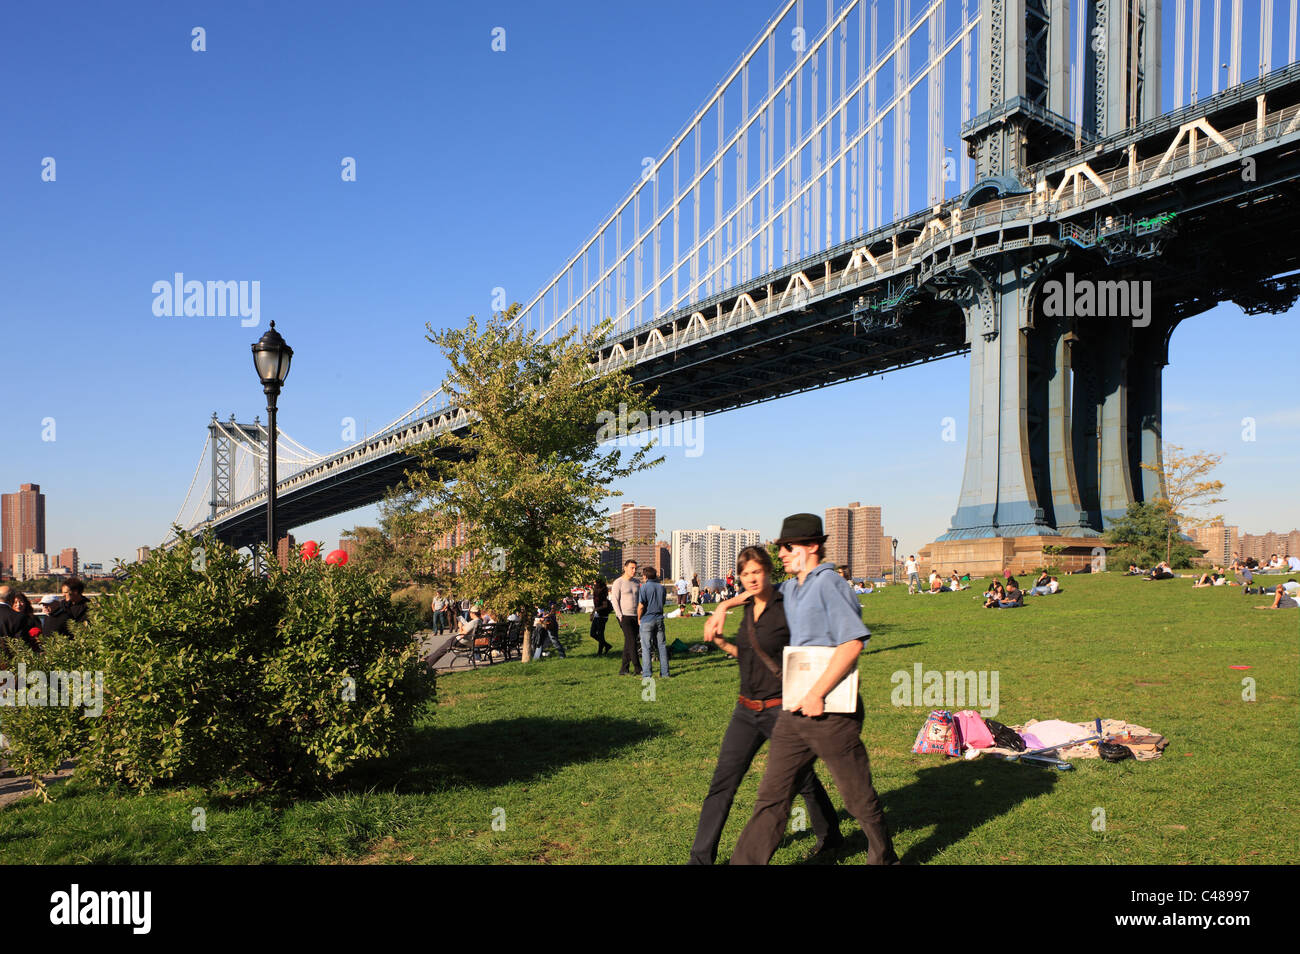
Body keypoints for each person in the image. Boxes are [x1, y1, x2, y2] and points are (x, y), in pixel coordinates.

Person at [707, 513, 899, 866]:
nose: (780, 553)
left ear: (811, 547)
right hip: (794, 711)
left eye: (787, 547)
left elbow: (853, 643)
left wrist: (818, 693)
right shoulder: (795, 586)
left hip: (832, 712)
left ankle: (884, 858)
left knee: (856, 796)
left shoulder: (829, 584)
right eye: (780, 547)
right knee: (771, 796)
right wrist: (722, 606)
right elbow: (759, 590)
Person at [690, 545, 841, 864]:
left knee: (802, 779)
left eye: (757, 572)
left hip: (780, 709)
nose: (752, 579)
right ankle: (700, 859)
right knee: (723, 783)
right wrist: (720, 639)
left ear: (768, 571)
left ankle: (830, 835)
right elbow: (746, 654)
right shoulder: (747, 609)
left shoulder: (788, 604)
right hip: (745, 711)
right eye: (745, 574)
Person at [637, 566, 669, 679]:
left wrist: (639, 618)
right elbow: (663, 602)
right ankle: (665, 673)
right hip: (659, 618)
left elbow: (641, 605)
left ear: (645, 576)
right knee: (662, 646)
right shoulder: (661, 588)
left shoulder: (644, 588)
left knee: (646, 647)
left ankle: (647, 674)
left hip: (647, 619)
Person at [611, 559, 642, 675]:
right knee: (632, 642)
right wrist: (619, 615)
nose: (634, 570)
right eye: (632, 568)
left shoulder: (636, 582)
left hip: (636, 616)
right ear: (625, 568)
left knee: (629, 643)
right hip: (624, 616)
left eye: (635, 568)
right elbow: (615, 600)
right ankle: (638, 668)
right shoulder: (618, 582)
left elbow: (640, 599)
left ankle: (624, 669)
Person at [589, 578, 614, 655]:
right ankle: (606, 645)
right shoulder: (596, 593)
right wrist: (594, 612)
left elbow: (605, 605)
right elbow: (597, 605)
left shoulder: (602, 593)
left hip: (602, 616)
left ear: (598, 584)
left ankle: (600, 651)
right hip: (598, 615)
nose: (594, 585)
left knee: (600, 634)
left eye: (595, 584)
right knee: (592, 633)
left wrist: (594, 610)